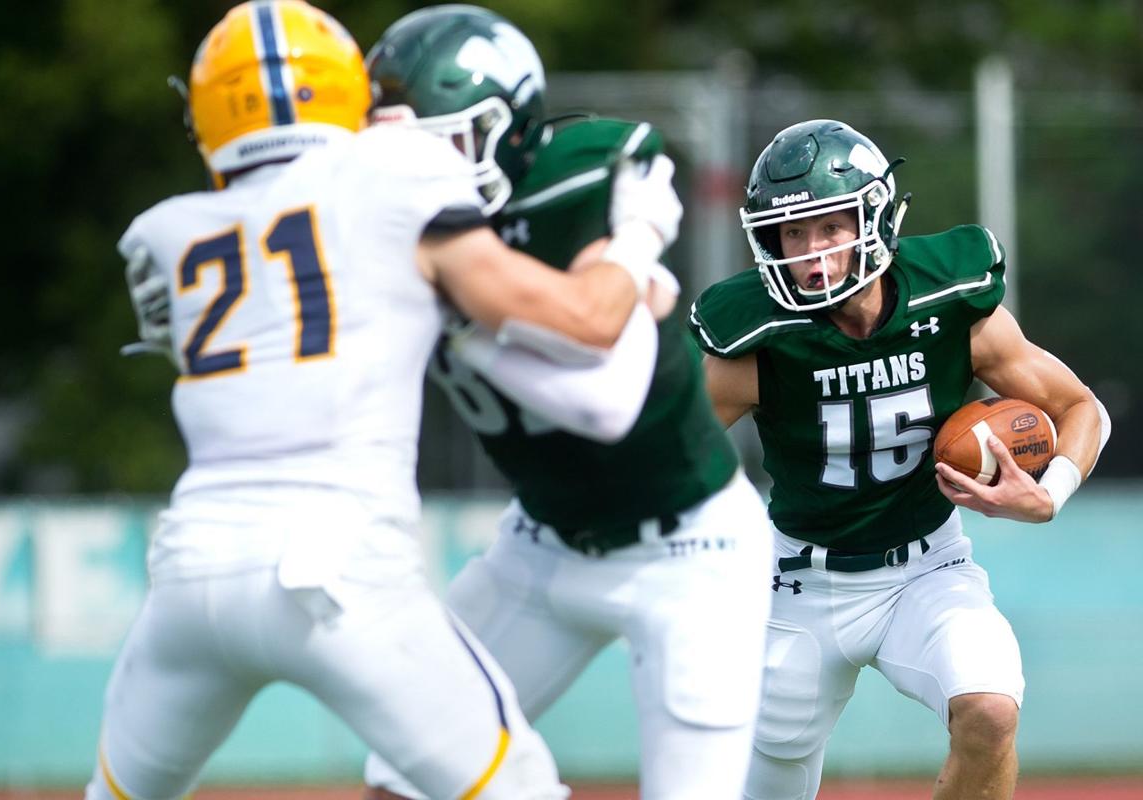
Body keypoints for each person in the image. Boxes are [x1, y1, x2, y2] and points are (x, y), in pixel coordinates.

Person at [84, 2, 683, 798]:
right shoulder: (397, 174)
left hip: (191, 578)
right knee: (520, 787)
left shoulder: (163, 234)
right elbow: (584, 320)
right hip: (336, 572)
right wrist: (639, 234)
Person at [360, 7, 773, 800]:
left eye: (443, 144)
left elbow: (606, 394)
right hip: (543, 542)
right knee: (406, 780)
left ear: (510, 130)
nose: (419, 173)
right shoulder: (383, 222)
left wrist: (463, 322)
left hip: (690, 550)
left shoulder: (574, 179)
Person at [688, 119, 1112, 800]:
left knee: (991, 708)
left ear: (878, 217)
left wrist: (1051, 491)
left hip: (928, 566)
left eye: (830, 226)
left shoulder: (950, 302)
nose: (813, 253)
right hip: (798, 583)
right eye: (792, 234)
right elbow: (664, 457)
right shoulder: (760, 337)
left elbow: (1080, 407)